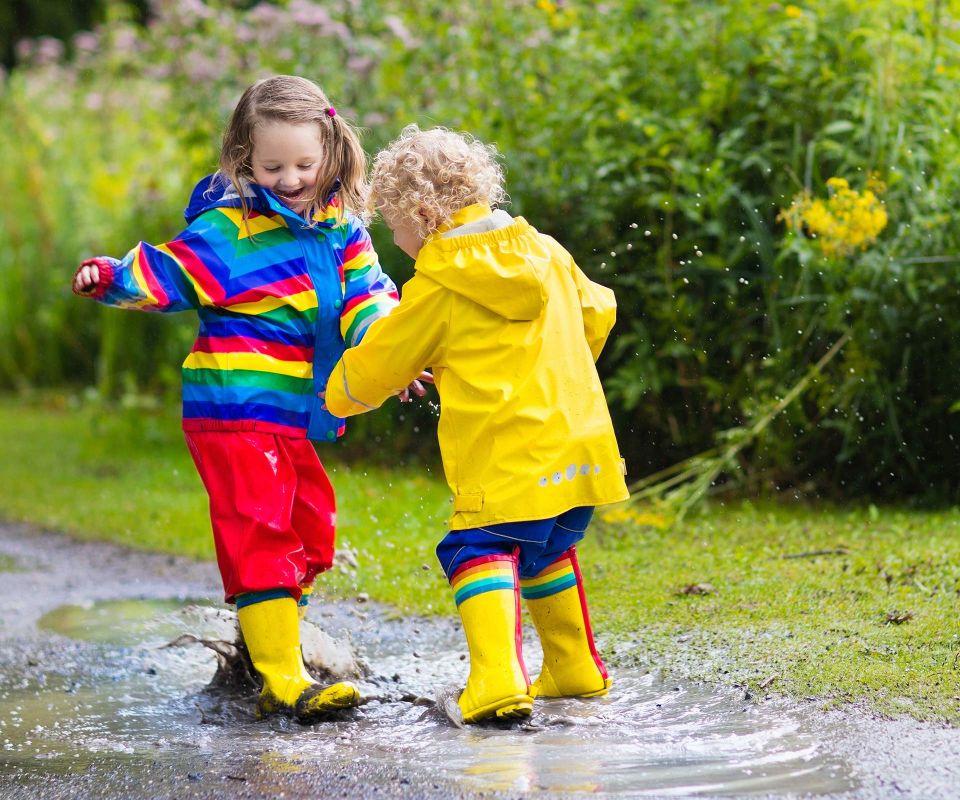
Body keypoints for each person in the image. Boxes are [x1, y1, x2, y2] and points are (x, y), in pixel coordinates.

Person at [72, 75, 407, 724]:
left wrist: (397, 352)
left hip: (292, 413)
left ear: (331, 152)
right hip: (232, 408)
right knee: (261, 527)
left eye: (304, 165)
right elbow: (169, 271)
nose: (289, 179)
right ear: (243, 159)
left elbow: (372, 299)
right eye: (272, 165)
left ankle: (269, 648)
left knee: (310, 526)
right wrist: (110, 277)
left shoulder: (343, 230)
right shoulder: (233, 229)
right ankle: (283, 678)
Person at [322, 125, 629, 724]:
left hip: (506, 458)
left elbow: (386, 358)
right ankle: (572, 667)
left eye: (394, 225)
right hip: (581, 449)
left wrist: (338, 395)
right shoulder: (543, 249)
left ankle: (495, 681)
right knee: (546, 549)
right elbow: (600, 310)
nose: (395, 239)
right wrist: (555, 361)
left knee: (477, 547)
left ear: (422, 212)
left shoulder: (439, 283)